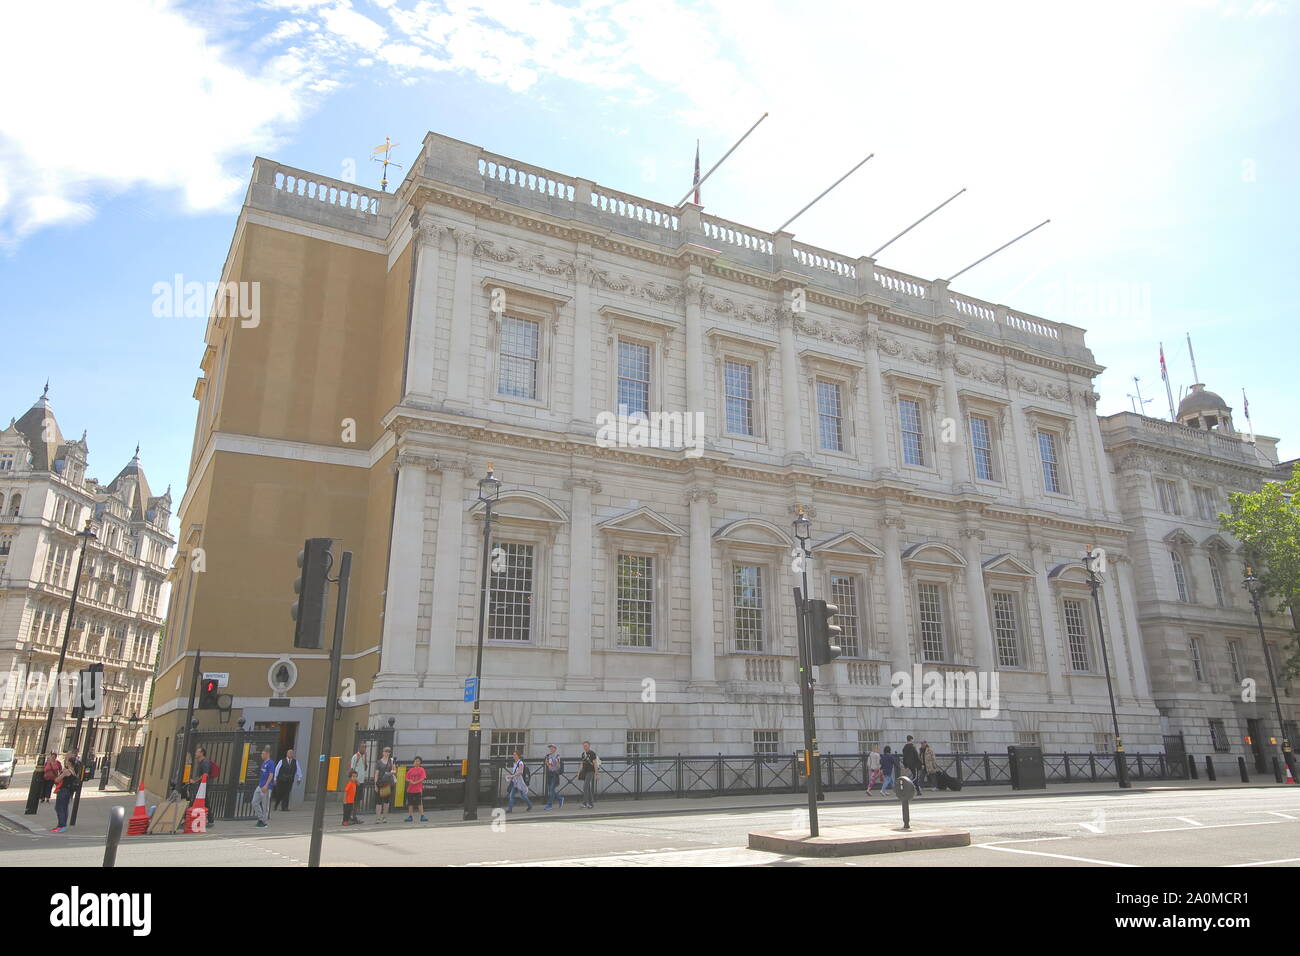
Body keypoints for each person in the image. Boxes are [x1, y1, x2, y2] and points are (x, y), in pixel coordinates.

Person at [51, 748, 82, 833]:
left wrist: (60, 775)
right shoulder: (74, 771)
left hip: (63, 791)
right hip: (68, 792)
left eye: (67, 759)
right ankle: (62, 825)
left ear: (69, 762)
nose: (66, 760)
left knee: (59, 808)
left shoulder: (66, 771)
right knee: (64, 808)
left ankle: (61, 825)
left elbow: (57, 780)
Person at [252, 746, 275, 828]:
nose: (261, 755)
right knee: (254, 802)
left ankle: (263, 822)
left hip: (266, 787)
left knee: (265, 805)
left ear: (267, 754)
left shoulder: (271, 763)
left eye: (263, 753)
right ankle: (260, 818)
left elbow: (271, 775)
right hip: (260, 786)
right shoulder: (263, 763)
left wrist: (266, 785)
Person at [373, 747, 396, 823]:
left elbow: (394, 771)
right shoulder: (379, 762)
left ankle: (384, 817)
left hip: (387, 783)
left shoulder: (391, 761)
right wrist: (375, 785)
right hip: (380, 783)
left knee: (386, 801)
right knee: (378, 801)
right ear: (383, 752)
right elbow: (376, 774)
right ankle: (378, 818)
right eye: (385, 752)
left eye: (388, 752)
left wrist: (390, 773)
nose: (387, 753)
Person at [404, 756, 428, 822]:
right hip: (410, 790)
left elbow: (422, 778)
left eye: (418, 761)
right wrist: (410, 781)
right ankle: (410, 816)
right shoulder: (410, 770)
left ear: (420, 763)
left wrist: (415, 782)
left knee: (419, 803)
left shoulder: (422, 769)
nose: (416, 762)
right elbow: (406, 778)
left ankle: (422, 816)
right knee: (410, 804)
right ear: (413, 762)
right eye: (415, 761)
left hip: (418, 790)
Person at [349, 747, 368, 823]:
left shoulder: (364, 757)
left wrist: (366, 759)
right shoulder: (355, 756)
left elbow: (365, 768)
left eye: (365, 748)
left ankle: (354, 816)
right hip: (356, 782)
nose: (364, 749)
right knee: (353, 800)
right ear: (359, 748)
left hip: (361, 781)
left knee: (357, 800)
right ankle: (350, 816)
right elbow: (352, 769)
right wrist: (356, 780)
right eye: (363, 748)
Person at [543, 744, 565, 810]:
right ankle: (560, 798)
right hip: (549, 774)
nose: (551, 749)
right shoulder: (548, 756)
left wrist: (555, 765)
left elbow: (558, 766)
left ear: (555, 749)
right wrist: (547, 762)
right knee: (551, 790)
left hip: (555, 774)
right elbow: (547, 765)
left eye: (552, 748)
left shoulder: (557, 756)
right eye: (550, 748)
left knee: (551, 790)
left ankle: (550, 805)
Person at [578, 740, 599, 809]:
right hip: (585, 772)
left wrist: (596, 774)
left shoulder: (592, 753)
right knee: (588, 788)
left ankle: (584, 803)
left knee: (585, 787)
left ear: (589, 746)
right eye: (584, 746)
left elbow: (595, 763)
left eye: (586, 746)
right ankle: (591, 804)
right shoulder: (583, 754)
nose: (585, 747)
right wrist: (579, 772)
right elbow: (582, 763)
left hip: (591, 771)